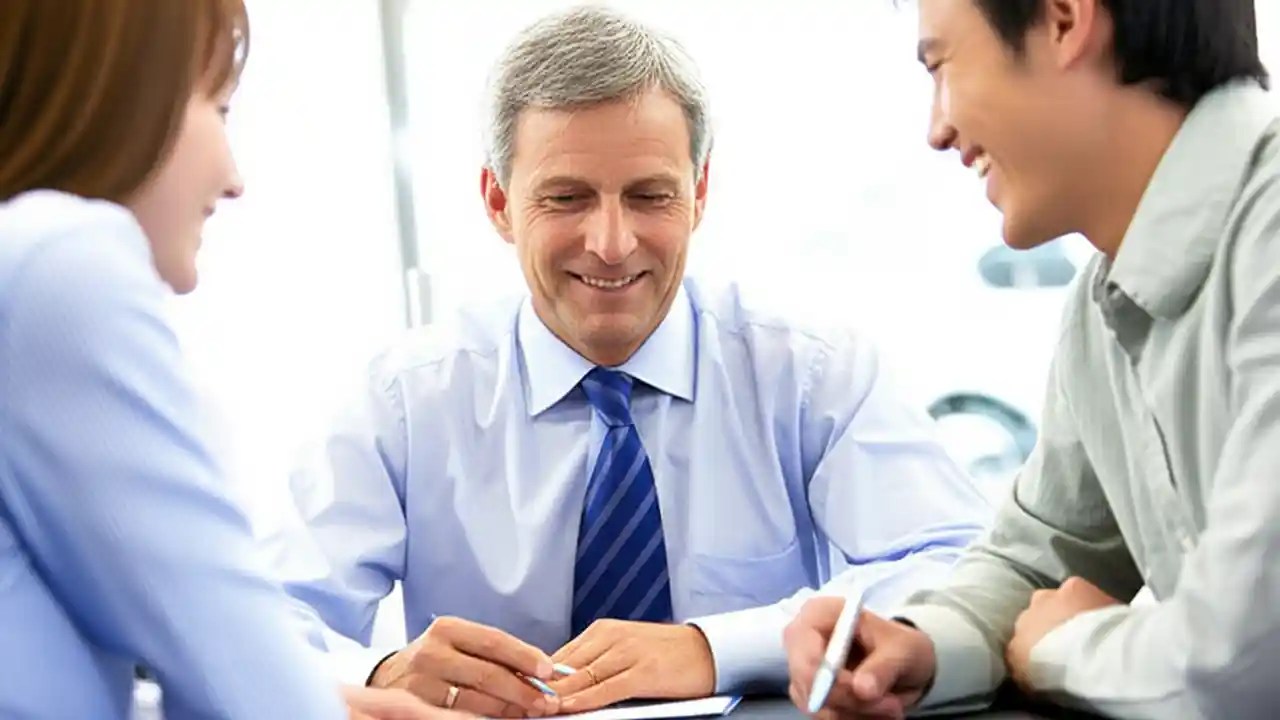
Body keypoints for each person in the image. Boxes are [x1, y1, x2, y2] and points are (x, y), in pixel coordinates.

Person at [270, 5, 992, 717]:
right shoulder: (407, 399)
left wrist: (717, 649)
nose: (611, 243)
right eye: (566, 198)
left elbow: (957, 570)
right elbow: (262, 618)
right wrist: (383, 671)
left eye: (650, 196)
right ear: (498, 201)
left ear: (700, 192)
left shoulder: (809, 374)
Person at [784, 0, 1277, 718]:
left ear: (1064, 21)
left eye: (941, 65)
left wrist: (1066, 646)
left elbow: (1249, 655)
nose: (937, 129)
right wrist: (917, 647)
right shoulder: (1103, 303)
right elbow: (1037, 557)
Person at [0, 2, 460, 718]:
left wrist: (335, 702)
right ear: (119, 97)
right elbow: (244, 680)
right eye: (217, 107)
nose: (234, 176)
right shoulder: (58, 260)